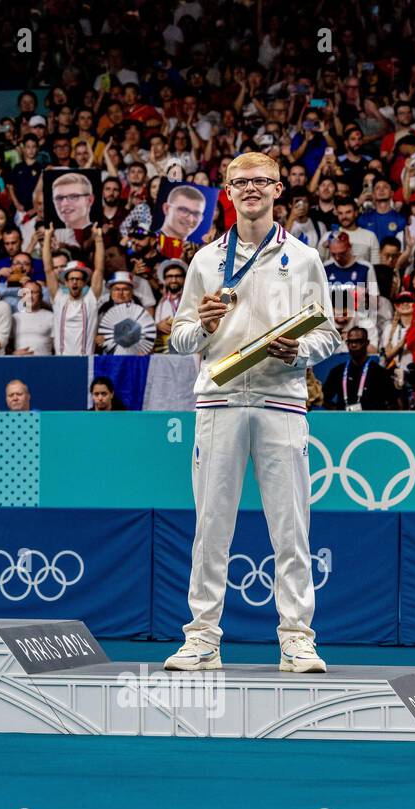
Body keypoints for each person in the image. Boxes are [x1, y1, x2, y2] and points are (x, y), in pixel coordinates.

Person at [166, 151, 340, 674]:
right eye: (241, 182)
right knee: (211, 527)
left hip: (281, 400)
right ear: (227, 190)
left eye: (261, 181)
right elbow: (178, 338)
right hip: (218, 400)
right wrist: (203, 324)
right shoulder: (204, 260)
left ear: (279, 189)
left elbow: (328, 334)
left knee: (291, 528)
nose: (251, 189)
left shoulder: (304, 258)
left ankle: (297, 639)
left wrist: (300, 352)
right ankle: (202, 640)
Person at [321, 327, 400, 409]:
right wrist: (337, 411)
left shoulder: (380, 373)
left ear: (367, 343)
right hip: (344, 420)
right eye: (350, 342)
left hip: (372, 420)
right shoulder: (338, 371)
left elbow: (394, 403)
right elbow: (323, 398)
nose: (354, 345)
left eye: (358, 341)